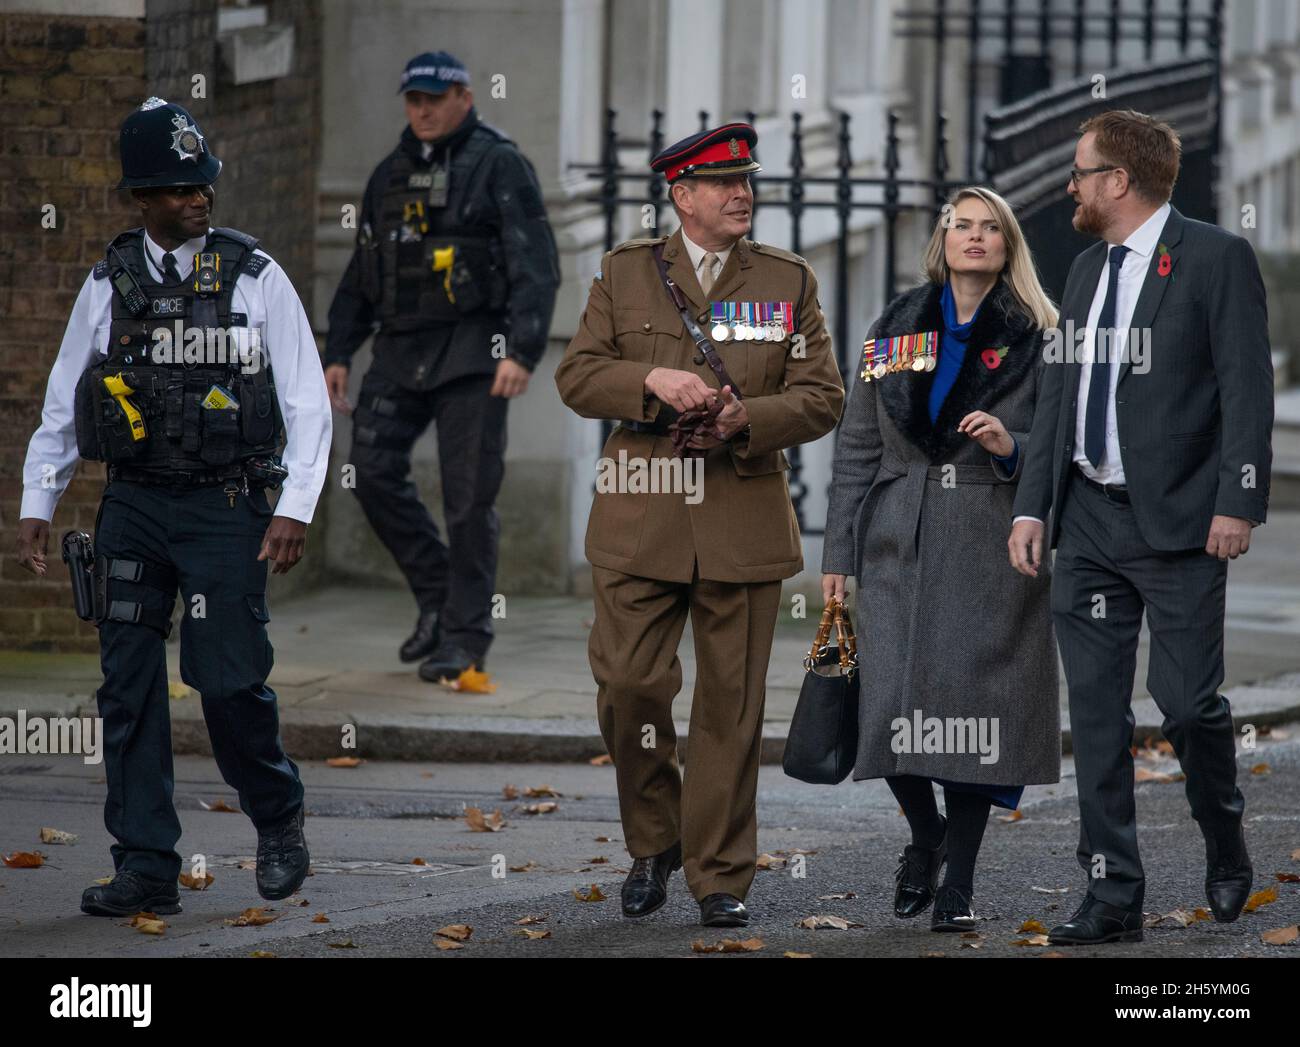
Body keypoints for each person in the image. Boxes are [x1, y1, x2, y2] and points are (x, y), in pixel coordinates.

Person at [14, 98, 331, 916]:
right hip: (134, 504)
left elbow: (306, 401)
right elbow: (64, 397)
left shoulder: (256, 277)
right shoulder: (106, 282)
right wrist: (39, 498)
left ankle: (277, 814)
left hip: (228, 508)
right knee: (126, 687)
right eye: (178, 188)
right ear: (141, 198)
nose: (198, 199)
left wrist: (294, 506)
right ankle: (147, 861)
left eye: (203, 185)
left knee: (225, 682)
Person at [555, 124, 844, 928]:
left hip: (741, 517)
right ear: (682, 195)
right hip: (639, 513)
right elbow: (575, 375)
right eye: (722, 183)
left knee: (732, 707)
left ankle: (719, 871)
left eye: (746, 180)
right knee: (628, 685)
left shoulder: (788, 280)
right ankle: (655, 838)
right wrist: (650, 377)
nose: (741, 193)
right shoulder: (624, 271)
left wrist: (743, 417)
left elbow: (823, 396)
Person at [1009, 109, 1273, 945]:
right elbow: (1058, 393)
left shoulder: (1216, 257)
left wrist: (1239, 498)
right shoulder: (1084, 268)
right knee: (1094, 717)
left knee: (1189, 707)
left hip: (1185, 524)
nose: (1072, 188)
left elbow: (1247, 386)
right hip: (1087, 521)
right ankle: (1114, 892)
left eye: (1082, 172)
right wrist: (1032, 504)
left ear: (1117, 182)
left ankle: (1225, 839)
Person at [821, 187, 1061, 930]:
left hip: (991, 541)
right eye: (964, 226)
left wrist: (1008, 445)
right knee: (891, 710)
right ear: (944, 238)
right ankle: (924, 836)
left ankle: (958, 882)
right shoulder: (895, 325)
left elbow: (1056, 449)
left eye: (991, 228)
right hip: (897, 534)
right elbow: (857, 443)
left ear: (1008, 243)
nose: (977, 237)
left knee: (968, 717)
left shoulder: (1036, 332)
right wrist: (839, 551)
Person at [323, 51, 559, 683]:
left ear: (464, 96)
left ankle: (464, 636)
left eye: (435, 97)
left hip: (473, 353)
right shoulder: (390, 172)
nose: (423, 110)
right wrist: (339, 350)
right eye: (413, 99)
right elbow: (364, 269)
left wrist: (522, 349)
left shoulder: (499, 164)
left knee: (468, 501)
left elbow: (535, 263)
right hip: (400, 352)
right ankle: (437, 592)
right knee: (369, 474)